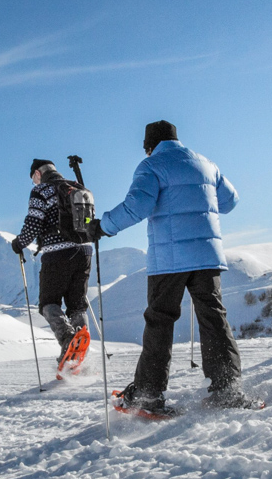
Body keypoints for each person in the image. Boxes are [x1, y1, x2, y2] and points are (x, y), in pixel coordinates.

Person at [84, 120, 253, 415]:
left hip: (170, 259)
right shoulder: (206, 164)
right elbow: (230, 202)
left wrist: (102, 227)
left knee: (160, 321)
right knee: (214, 318)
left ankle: (149, 395)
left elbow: (136, 207)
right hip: (207, 256)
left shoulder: (152, 166)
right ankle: (226, 388)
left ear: (150, 146)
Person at [10, 159, 90, 362]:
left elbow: (34, 222)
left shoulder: (42, 190)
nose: (34, 183)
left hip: (57, 253)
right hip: (84, 252)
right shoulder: (76, 186)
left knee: (48, 303)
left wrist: (19, 243)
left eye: (33, 179)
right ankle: (80, 347)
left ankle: (67, 340)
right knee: (77, 305)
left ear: (38, 173)